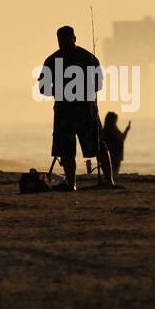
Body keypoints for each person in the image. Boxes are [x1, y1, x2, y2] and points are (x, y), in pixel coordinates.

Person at [40, 25, 115, 190]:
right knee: (66, 150)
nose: (64, 44)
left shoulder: (88, 58)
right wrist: (61, 90)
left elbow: (99, 84)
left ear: (74, 38)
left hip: (85, 112)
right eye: (60, 41)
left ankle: (108, 180)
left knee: (98, 146)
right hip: (65, 113)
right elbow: (43, 87)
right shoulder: (52, 60)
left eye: (66, 40)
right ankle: (71, 183)